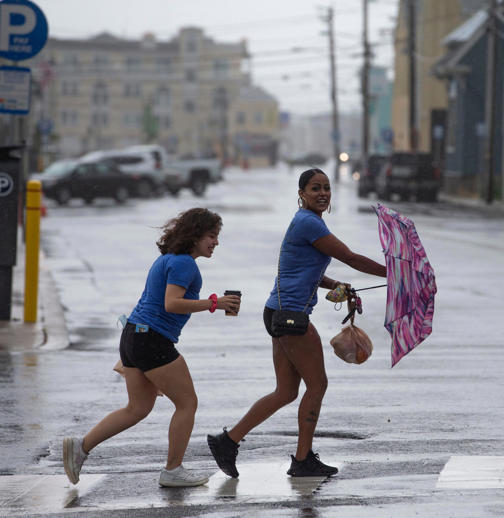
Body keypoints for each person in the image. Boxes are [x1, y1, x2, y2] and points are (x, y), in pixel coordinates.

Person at [207, 168, 386, 478]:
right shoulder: (308, 223)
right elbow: (351, 257)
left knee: (287, 392)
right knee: (318, 384)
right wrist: (394, 274)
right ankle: (302, 460)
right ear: (301, 193)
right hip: (289, 316)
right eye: (315, 188)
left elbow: (301, 272)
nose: (322, 193)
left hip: (277, 311)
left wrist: (337, 286)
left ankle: (228, 441)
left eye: (327, 188)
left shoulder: (310, 222)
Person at [62, 208, 241, 488]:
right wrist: (213, 303)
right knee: (187, 403)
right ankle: (173, 470)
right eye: (211, 235)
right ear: (194, 235)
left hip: (134, 335)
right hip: (152, 340)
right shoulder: (184, 264)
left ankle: (81, 447)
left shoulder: (168, 260)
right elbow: (172, 303)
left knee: (137, 408)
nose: (215, 242)